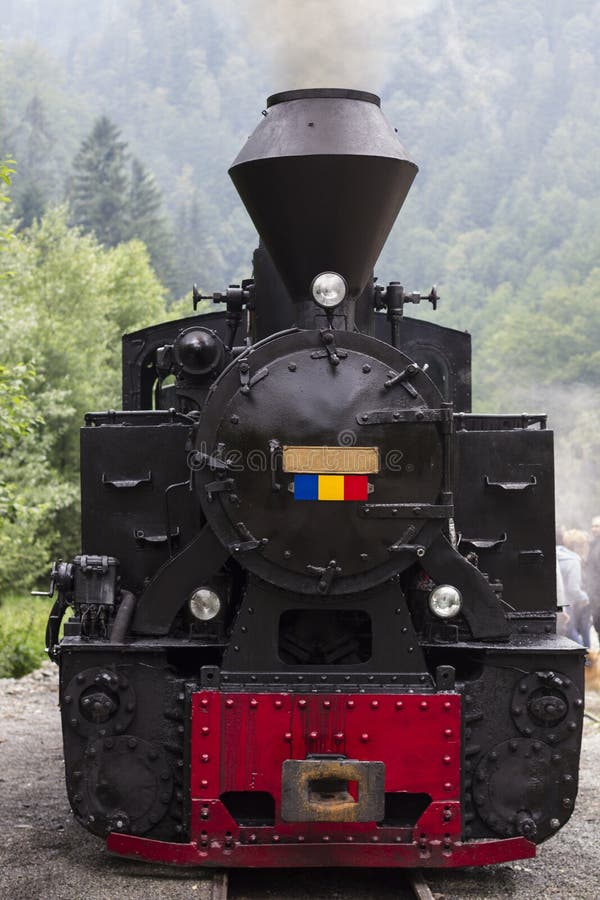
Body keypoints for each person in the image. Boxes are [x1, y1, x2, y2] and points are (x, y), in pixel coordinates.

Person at [556, 527, 592, 647]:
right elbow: (573, 588)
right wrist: (584, 597)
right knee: (574, 639)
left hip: (556, 604)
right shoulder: (573, 561)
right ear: (581, 546)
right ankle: (586, 662)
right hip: (567, 605)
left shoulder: (558, 553)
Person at [585, 515, 600, 642]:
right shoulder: (594, 544)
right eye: (593, 526)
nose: (594, 529)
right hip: (594, 594)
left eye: (597, 526)